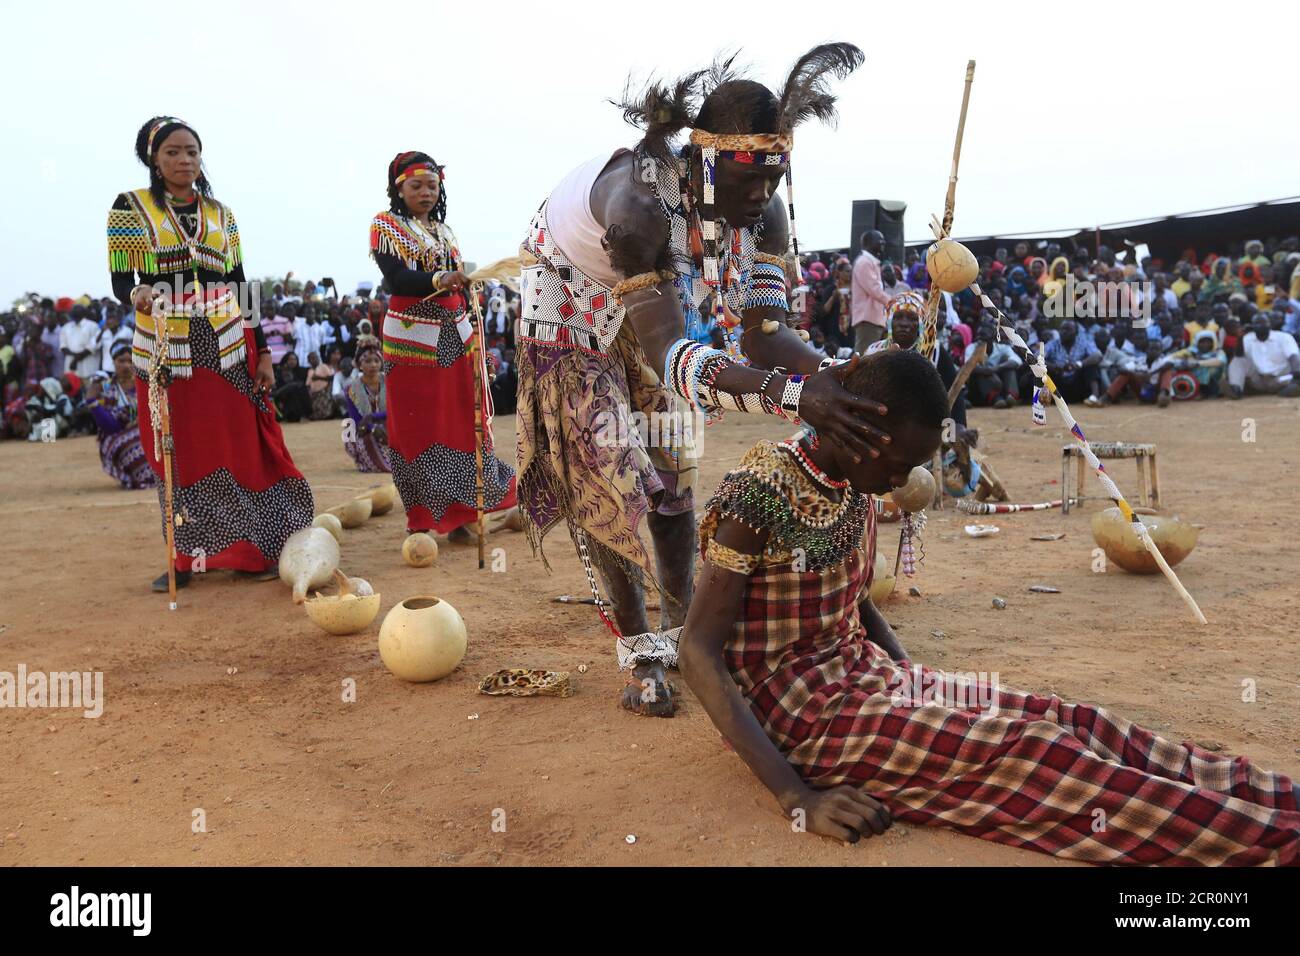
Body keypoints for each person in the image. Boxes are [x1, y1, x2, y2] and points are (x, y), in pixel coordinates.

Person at [679, 348, 1300, 865]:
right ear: (857, 431)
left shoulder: (850, 478)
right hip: (797, 717)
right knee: (1031, 752)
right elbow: (697, 652)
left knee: (1065, 718)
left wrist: (913, 678)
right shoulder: (758, 495)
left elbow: (854, 598)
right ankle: (1273, 842)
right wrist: (797, 798)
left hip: (864, 681)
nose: (901, 482)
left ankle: (1267, 795)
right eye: (899, 465)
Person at [517, 44, 888, 716]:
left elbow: (765, 334)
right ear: (705, 162)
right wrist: (798, 395)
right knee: (613, 474)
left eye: (773, 181)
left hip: (655, 307)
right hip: (569, 309)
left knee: (673, 476)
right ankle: (642, 653)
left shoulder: (761, 214)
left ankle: (687, 632)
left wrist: (837, 377)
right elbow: (670, 357)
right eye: (748, 182)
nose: (762, 198)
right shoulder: (638, 209)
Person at [106, 116, 313, 591]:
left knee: (236, 443)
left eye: (192, 152)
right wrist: (136, 293)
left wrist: (261, 351)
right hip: (165, 347)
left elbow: (240, 283)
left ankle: (249, 549)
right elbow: (121, 279)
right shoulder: (129, 209)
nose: (185, 161)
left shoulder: (221, 213)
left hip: (226, 345)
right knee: (178, 449)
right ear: (154, 161)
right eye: (173, 153)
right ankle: (183, 556)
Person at [369, 150, 518, 541]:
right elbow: (397, 280)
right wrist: (440, 279)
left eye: (432, 186)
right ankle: (427, 512)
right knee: (420, 424)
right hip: (412, 338)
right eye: (416, 185)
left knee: (458, 420)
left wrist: (466, 291)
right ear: (399, 188)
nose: (425, 193)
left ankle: (468, 506)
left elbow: (457, 278)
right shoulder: (386, 226)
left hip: (455, 334)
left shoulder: (445, 231)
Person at [85, 342, 156, 489]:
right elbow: (110, 427)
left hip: (147, 428)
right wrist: (92, 401)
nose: (126, 365)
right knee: (130, 445)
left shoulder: (145, 383)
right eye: (121, 361)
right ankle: (145, 479)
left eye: (130, 361)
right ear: (113, 362)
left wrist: (140, 422)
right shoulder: (106, 386)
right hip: (117, 435)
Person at [343, 342, 391, 473]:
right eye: (368, 361)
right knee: (348, 426)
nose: (373, 365)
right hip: (364, 428)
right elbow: (357, 420)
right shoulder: (351, 389)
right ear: (359, 365)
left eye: (376, 360)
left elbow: (395, 412)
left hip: (388, 424)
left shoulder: (390, 382)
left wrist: (372, 417)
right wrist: (373, 428)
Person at [1228, 313, 1300, 397]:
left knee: (1295, 375)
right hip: (1258, 380)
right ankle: (1236, 389)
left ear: (1270, 324)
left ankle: (1294, 387)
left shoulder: (1284, 337)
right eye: (1257, 323)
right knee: (1238, 360)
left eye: (1263, 322)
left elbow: (1293, 357)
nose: (1260, 325)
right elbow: (1238, 356)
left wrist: (1297, 376)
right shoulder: (1247, 338)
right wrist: (1240, 338)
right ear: (1252, 326)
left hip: (1280, 379)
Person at [1044, 319, 1103, 405]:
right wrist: (1054, 367)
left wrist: (1078, 364)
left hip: (1077, 384)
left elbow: (1098, 355)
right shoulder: (1052, 344)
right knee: (1041, 367)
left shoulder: (1084, 343)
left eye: (1068, 329)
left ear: (1076, 332)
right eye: (1062, 329)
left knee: (1092, 366)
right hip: (1057, 385)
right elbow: (1036, 357)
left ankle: (1094, 398)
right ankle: (1044, 397)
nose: (1064, 332)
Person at [965, 320, 1022, 408]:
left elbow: (1017, 361)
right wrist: (989, 371)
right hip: (979, 388)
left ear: (992, 336)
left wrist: (996, 369)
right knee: (980, 368)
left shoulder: (1003, 348)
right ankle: (996, 399)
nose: (979, 338)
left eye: (983, 335)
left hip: (999, 382)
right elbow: (968, 367)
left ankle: (1011, 396)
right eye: (978, 335)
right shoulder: (972, 347)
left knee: (1009, 365)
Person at [851, 229, 889, 353]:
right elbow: (875, 290)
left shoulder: (870, 262)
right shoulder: (864, 262)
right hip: (867, 319)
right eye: (879, 239)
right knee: (864, 359)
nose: (883, 242)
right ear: (867, 242)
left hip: (874, 319)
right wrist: (894, 302)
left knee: (871, 358)